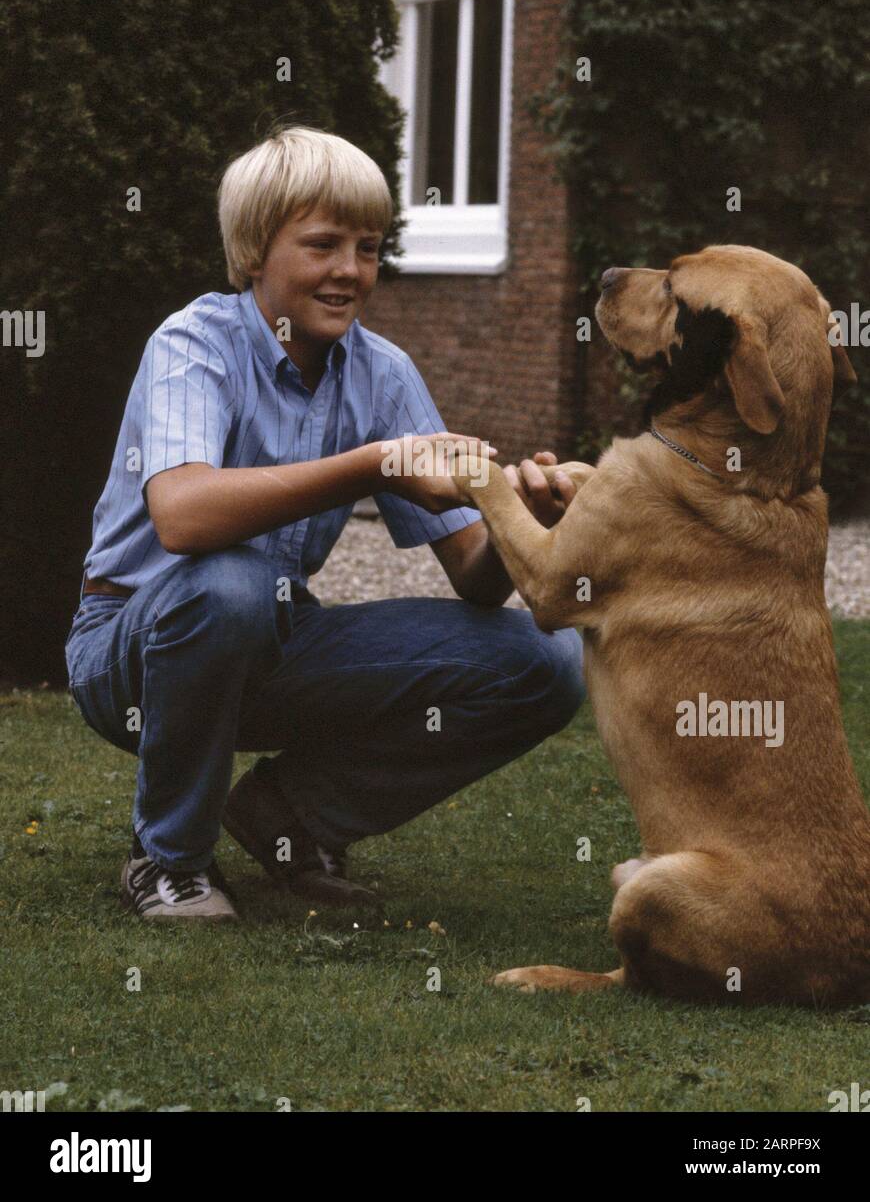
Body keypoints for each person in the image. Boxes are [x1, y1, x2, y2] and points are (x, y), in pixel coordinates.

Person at [64, 125, 585, 921]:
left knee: (546, 659)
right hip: (126, 652)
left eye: (369, 248)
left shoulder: (384, 373)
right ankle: (169, 860)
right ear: (252, 253)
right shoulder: (193, 343)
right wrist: (375, 464)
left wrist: (523, 519)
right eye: (322, 245)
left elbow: (475, 582)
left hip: (270, 635)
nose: (349, 270)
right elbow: (182, 516)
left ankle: (290, 819)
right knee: (232, 584)